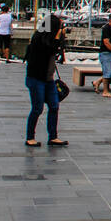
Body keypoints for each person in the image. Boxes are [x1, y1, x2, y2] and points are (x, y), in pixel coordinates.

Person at [24, 15, 68, 148]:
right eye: (58, 26)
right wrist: (58, 35)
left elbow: (59, 50)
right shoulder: (39, 38)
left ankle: (53, 137)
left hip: (48, 79)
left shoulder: (49, 37)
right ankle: (30, 137)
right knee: (37, 108)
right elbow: (50, 50)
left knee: (54, 106)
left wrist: (61, 37)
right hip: (36, 79)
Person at [96, 13, 111, 97]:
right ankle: (105, 92)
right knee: (107, 72)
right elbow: (106, 42)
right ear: (110, 20)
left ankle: (98, 82)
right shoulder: (106, 28)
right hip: (105, 52)